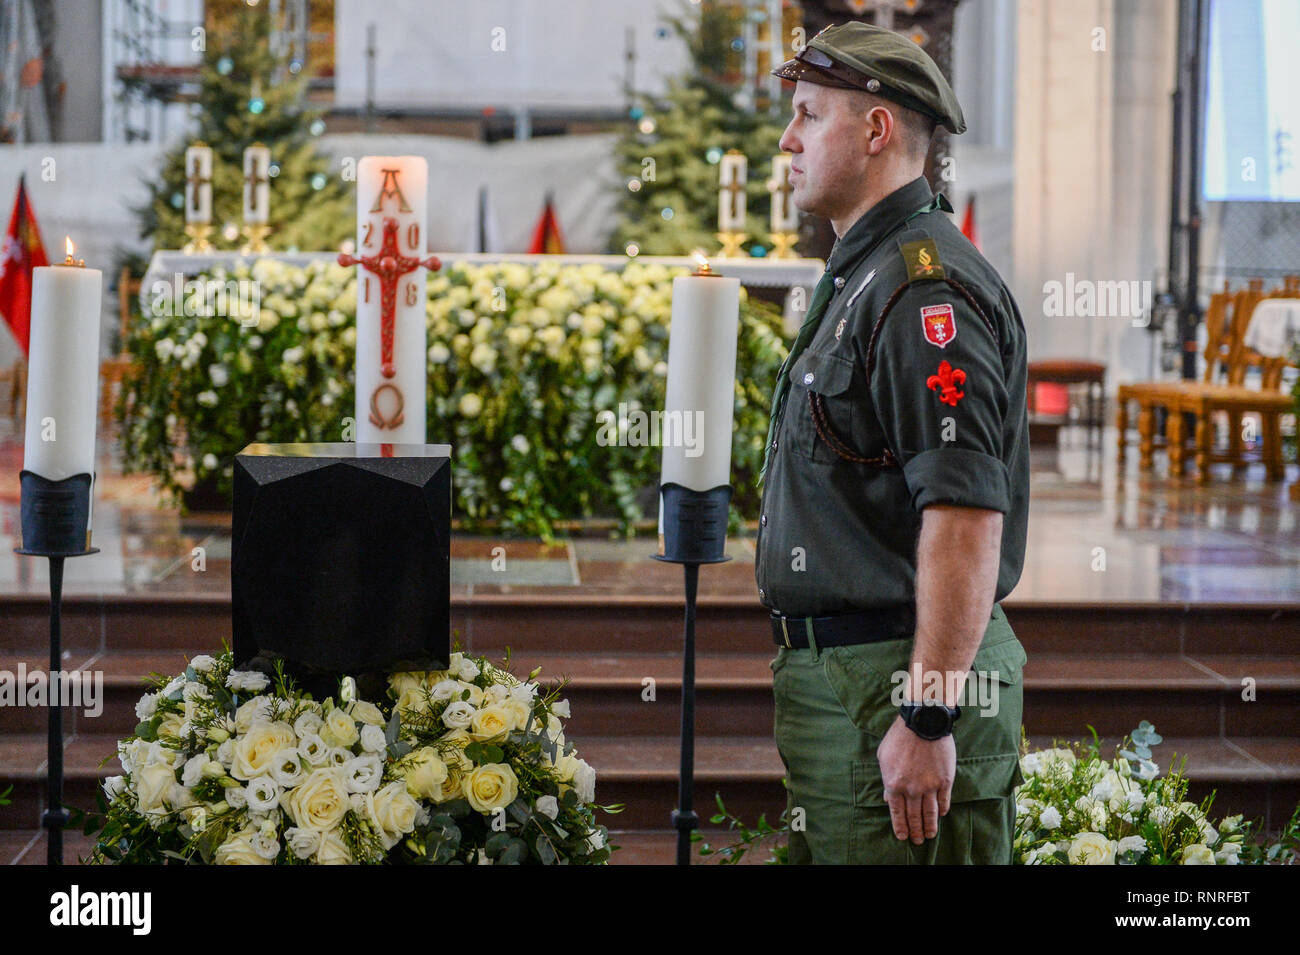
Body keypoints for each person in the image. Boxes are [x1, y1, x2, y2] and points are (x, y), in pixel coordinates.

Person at [755, 21, 1031, 864]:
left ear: (876, 131)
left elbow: (964, 517)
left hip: (894, 687)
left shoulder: (922, 289)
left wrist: (928, 714)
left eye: (808, 114)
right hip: (851, 685)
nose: (786, 137)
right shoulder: (867, 273)